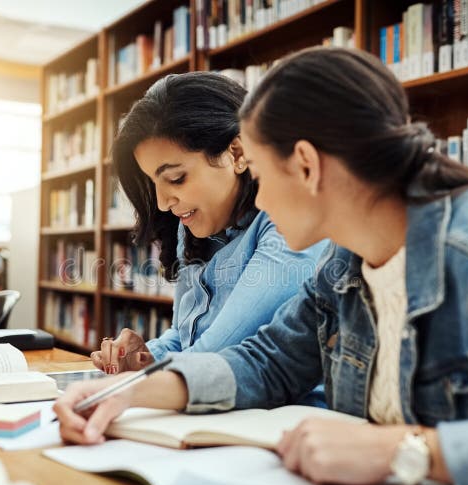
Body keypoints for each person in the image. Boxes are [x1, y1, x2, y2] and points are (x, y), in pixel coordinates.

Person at [54, 47, 468, 485]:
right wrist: (127, 391)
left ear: (306, 165)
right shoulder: (345, 265)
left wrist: (403, 451)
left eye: (264, 175)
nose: (262, 200)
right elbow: (267, 361)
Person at [95, 72, 325, 393]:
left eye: (176, 179)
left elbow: (215, 352)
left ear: (237, 153)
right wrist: (144, 357)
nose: (162, 204)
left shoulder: (285, 222)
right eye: (153, 183)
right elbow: (184, 335)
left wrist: (144, 379)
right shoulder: (192, 226)